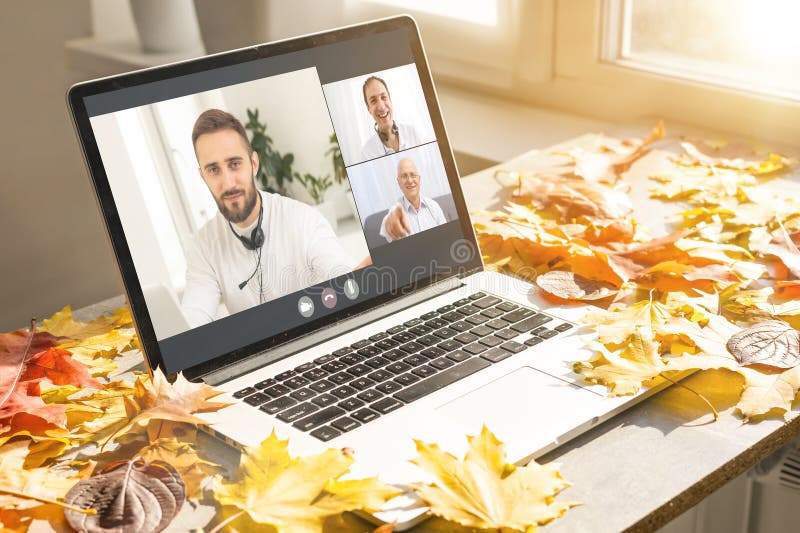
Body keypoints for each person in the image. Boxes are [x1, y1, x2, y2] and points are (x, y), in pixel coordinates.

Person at [181, 109, 358, 328]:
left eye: (235, 164)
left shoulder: (303, 219)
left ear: (253, 164)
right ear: (203, 176)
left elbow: (340, 273)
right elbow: (193, 318)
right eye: (213, 170)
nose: (228, 183)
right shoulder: (203, 246)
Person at [379, 157, 448, 243]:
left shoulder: (434, 206)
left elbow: (446, 236)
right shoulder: (396, 210)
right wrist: (389, 221)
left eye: (413, 175)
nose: (410, 180)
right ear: (399, 183)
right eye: (404, 176)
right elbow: (389, 222)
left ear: (419, 179)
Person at [360, 76, 421, 161]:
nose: (381, 107)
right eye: (373, 101)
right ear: (369, 109)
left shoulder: (412, 133)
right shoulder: (368, 153)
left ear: (390, 100)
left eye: (383, 97)